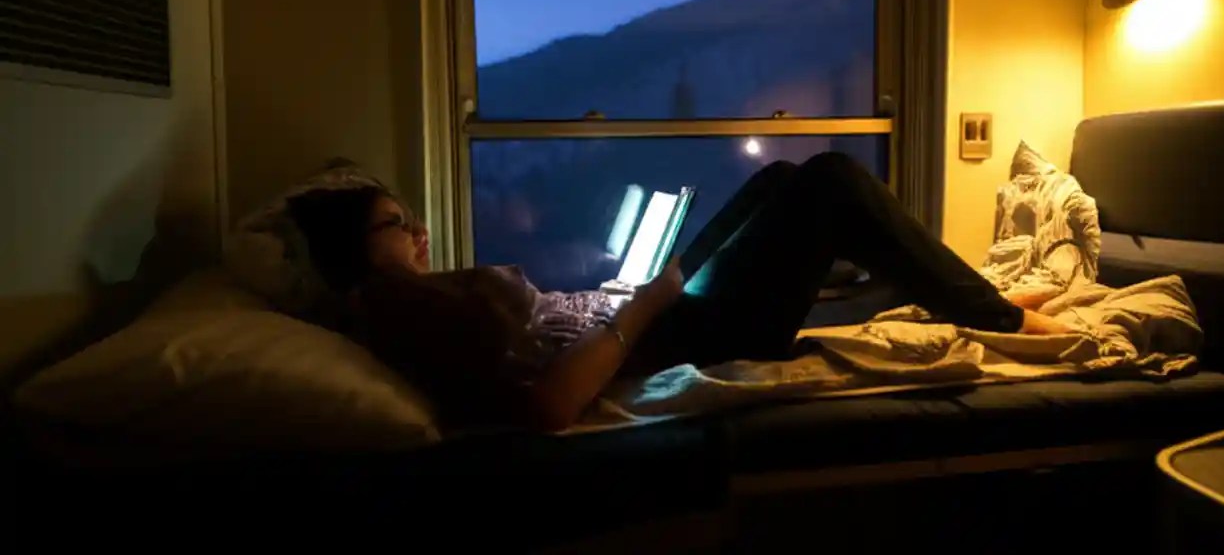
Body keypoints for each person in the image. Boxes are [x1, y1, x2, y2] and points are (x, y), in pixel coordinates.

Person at [287, 153, 1070, 432]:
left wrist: (626, 295)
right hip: (673, 334)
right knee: (829, 183)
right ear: (354, 253)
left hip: (647, 313)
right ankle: (998, 317)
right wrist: (640, 310)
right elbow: (548, 405)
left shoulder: (408, 298)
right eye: (396, 225)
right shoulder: (396, 307)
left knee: (779, 180)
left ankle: (946, 293)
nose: (418, 232)